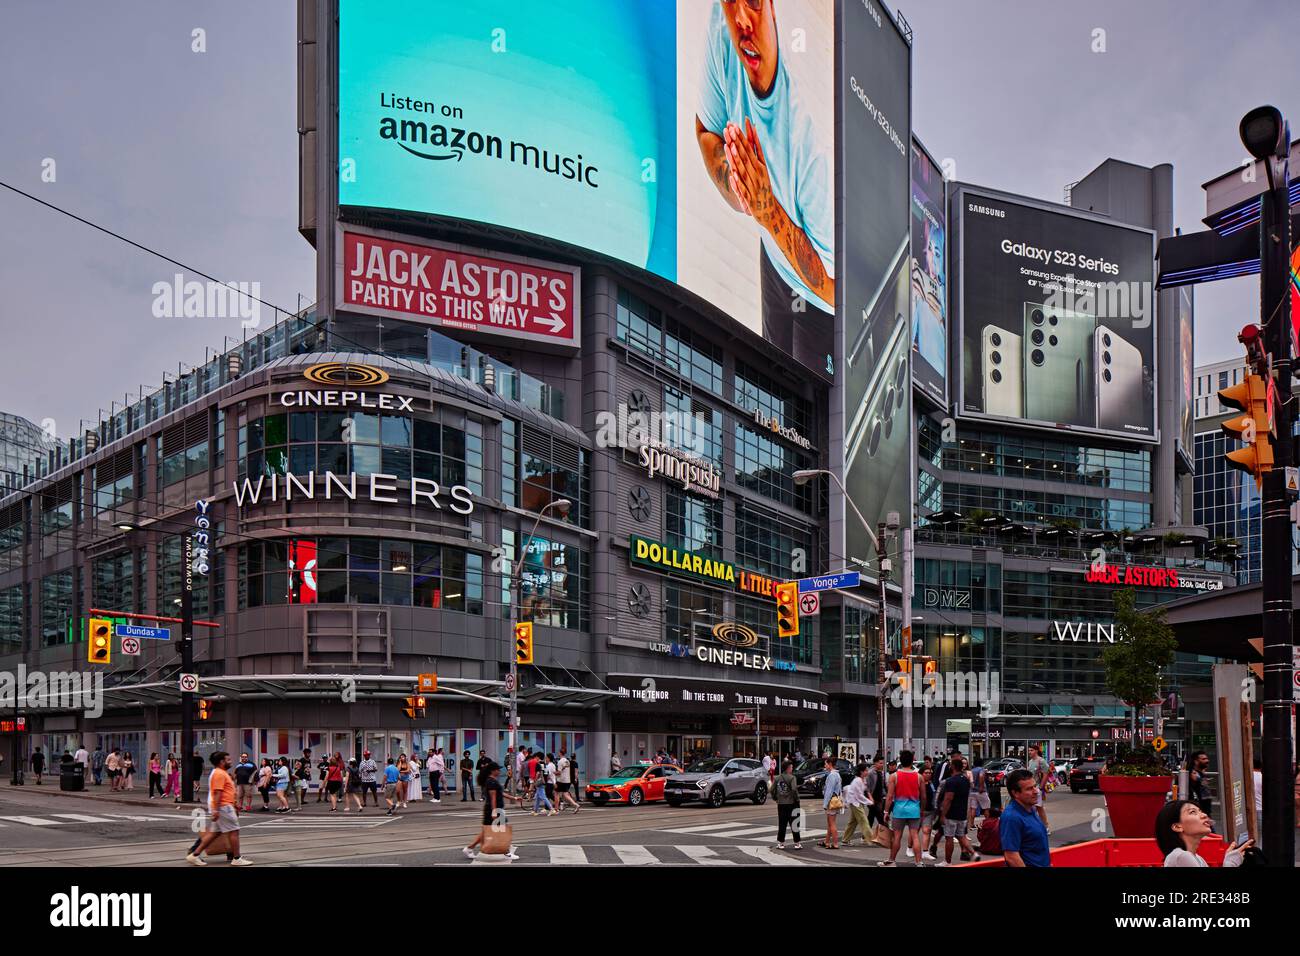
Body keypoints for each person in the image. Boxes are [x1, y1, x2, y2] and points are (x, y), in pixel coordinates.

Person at [693, 0, 835, 373]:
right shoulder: (721, 25)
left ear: (772, 7)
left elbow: (839, 290)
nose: (740, 19)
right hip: (775, 257)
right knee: (775, 405)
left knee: (811, 421)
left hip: (825, 302)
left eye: (753, 3)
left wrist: (767, 209)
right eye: (731, 3)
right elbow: (706, 130)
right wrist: (739, 184)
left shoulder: (813, 141)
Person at [186, 751, 252, 866]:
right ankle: (236, 858)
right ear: (222, 762)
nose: (230, 761)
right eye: (228, 760)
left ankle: (194, 855)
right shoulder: (219, 774)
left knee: (214, 833)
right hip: (224, 807)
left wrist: (234, 804)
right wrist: (216, 810)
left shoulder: (221, 773)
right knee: (234, 832)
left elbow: (225, 792)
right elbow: (217, 793)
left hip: (223, 806)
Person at [1156, 800, 1250, 867]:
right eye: (1193, 812)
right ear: (1177, 827)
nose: (1204, 815)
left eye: (1200, 811)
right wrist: (1230, 863)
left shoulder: (1197, 858)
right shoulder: (1182, 856)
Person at [464, 760, 518, 860]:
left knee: (486, 831)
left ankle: (469, 848)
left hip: (495, 809)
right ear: (493, 771)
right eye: (498, 770)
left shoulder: (491, 781)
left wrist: (514, 798)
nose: (499, 771)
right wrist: (494, 812)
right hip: (494, 809)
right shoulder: (491, 782)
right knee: (502, 829)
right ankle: (506, 852)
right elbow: (493, 797)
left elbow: (500, 793)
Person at [880, 750, 924, 867]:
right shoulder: (919, 777)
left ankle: (892, 861)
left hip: (899, 810)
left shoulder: (894, 776)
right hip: (914, 810)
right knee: (915, 836)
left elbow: (889, 797)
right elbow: (923, 796)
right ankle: (919, 862)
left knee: (897, 836)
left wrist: (886, 811)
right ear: (912, 761)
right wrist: (922, 810)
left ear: (900, 761)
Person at [1001, 768, 1051, 867]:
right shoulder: (1012, 817)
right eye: (1029, 789)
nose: (1036, 791)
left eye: (1035, 786)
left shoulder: (1031, 809)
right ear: (1015, 793)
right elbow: (1011, 856)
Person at [937, 755, 979, 866]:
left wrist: (943, 814)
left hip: (951, 814)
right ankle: (973, 853)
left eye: (951, 764)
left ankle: (947, 861)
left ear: (953, 767)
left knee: (949, 838)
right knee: (961, 836)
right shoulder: (965, 780)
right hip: (962, 813)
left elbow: (948, 799)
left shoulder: (951, 781)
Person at [772, 758, 802, 850]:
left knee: (782, 823)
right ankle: (797, 843)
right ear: (788, 768)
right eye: (791, 767)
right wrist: (796, 799)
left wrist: (775, 798)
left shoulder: (777, 778)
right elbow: (793, 789)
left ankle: (781, 843)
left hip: (781, 804)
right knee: (794, 823)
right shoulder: (792, 778)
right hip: (792, 804)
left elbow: (771, 789)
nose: (792, 769)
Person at [841, 763, 872, 847]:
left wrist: (868, 798)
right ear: (861, 772)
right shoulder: (857, 780)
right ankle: (871, 839)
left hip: (857, 802)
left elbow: (865, 791)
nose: (867, 772)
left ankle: (845, 840)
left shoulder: (863, 779)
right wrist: (869, 801)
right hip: (855, 802)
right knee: (863, 820)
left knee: (853, 822)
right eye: (866, 770)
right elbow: (859, 795)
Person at [1026, 745, 1052, 833]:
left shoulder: (1041, 761)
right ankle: (1043, 827)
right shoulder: (1030, 761)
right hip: (1031, 787)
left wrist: (1041, 787)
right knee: (1038, 808)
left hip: (1037, 788)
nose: (1029, 752)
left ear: (1036, 751)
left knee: (1036, 808)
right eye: (1029, 750)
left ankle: (1045, 827)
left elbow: (1046, 774)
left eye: (1031, 750)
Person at [819, 756, 843, 849]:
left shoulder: (832, 775)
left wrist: (825, 804)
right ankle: (827, 841)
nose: (825, 765)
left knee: (832, 823)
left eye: (825, 764)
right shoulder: (837, 774)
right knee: (830, 823)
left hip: (831, 801)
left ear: (830, 764)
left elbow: (829, 791)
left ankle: (835, 843)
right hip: (835, 800)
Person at [967, 757, 990, 831]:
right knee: (986, 807)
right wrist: (981, 787)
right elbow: (981, 776)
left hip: (972, 791)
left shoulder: (972, 770)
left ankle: (971, 824)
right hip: (981, 791)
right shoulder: (981, 770)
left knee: (973, 808)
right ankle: (988, 822)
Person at [1187, 751, 1212, 817]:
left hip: (1205, 811)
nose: (1207, 761)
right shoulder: (1194, 774)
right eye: (1203, 759)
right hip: (1200, 811)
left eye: (1207, 758)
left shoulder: (1200, 773)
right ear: (1196, 761)